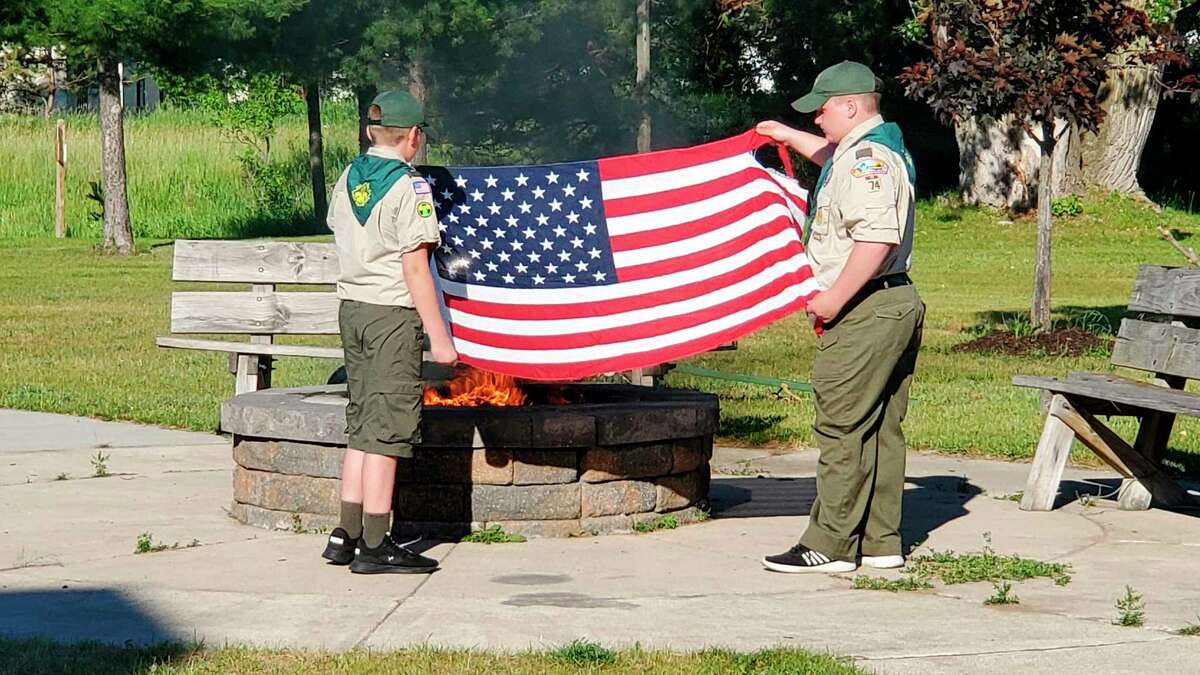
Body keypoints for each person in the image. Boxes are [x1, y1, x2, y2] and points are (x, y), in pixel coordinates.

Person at [756, 61, 925, 573]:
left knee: (842, 425)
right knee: (878, 428)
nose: (818, 120)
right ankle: (879, 542)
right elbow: (829, 155)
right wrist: (783, 135)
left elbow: (876, 238)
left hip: (865, 306)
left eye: (822, 110)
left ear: (851, 106)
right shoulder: (870, 150)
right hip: (891, 302)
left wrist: (832, 300)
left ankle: (828, 545)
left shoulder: (867, 161)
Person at [320, 90, 459, 574]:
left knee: (362, 422)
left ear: (368, 132)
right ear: (415, 138)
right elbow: (416, 268)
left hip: (352, 309)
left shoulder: (348, 176)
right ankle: (376, 545)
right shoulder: (410, 188)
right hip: (390, 317)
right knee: (388, 433)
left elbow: (339, 229)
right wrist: (440, 340)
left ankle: (346, 533)